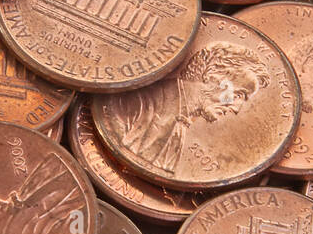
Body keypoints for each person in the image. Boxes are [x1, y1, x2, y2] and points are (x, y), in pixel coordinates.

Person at [105, 42, 270, 173]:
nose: (236, 109)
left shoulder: (181, 126)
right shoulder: (137, 101)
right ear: (212, 76)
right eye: (238, 95)